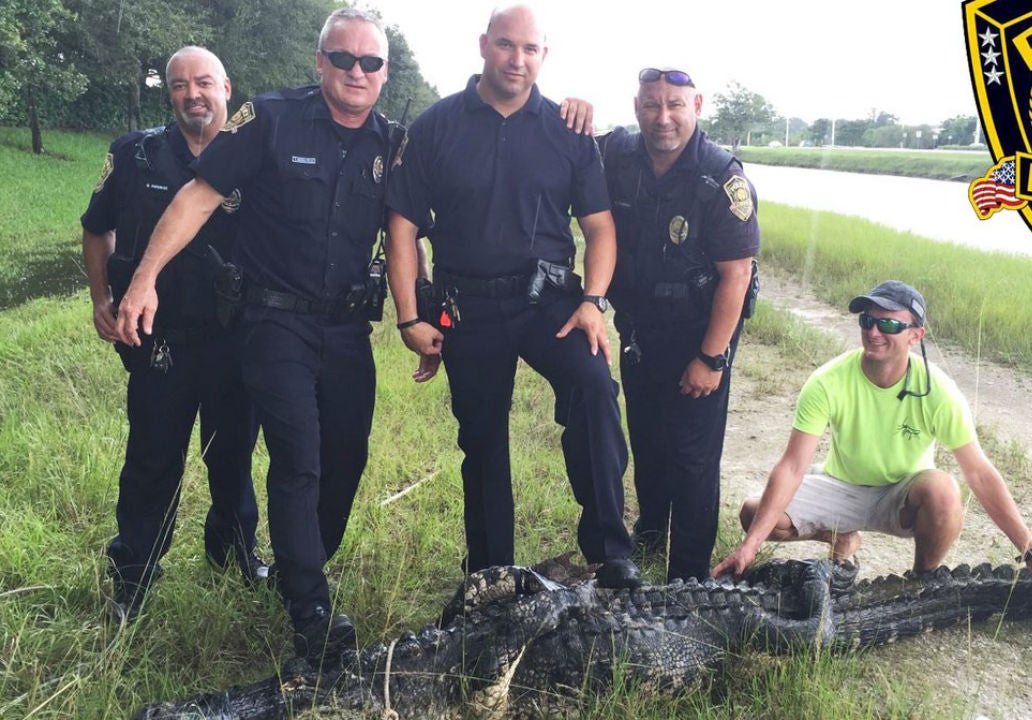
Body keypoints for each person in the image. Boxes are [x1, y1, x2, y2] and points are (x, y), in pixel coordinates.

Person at [115, 8, 392, 667]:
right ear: (320, 63)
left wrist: (417, 315)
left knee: (345, 456)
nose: (357, 71)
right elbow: (197, 196)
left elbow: (408, 232)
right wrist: (143, 278)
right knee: (298, 455)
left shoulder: (392, 142)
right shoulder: (270, 119)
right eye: (343, 58)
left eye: (370, 62)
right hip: (274, 322)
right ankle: (310, 609)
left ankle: (305, 562)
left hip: (348, 329)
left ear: (383, 73)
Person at [384, 4, 641, 588]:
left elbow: (600, 227)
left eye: (530, 49)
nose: (517, 59)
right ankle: (491, 572)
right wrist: (408, 319)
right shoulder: (436, 126)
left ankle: (611, 551)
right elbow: (401, 225)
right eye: (506, 45)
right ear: (483, 45)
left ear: (543, 56)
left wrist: (593, 301)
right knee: (482, 438)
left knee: (596, 387)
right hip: (467, 307)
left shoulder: (568, 130)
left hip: (549, 301)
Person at [81, 46, 265, 620]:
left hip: (236, 342)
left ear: (227, 87)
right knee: (151, 461)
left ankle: (233, 556)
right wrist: (101, 299)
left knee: (232, 458)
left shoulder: (259, 158)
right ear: (170, 94)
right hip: (158, 345)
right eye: (182, 85)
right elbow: (96, 228)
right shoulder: (135, 155)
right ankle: (132, 580)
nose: (193, 95)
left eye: (204, 82)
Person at [713, 280, 1032, 583]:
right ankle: (841, 538)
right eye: (867, 321)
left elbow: (980, 474)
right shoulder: (827, 381)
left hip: (902, 496)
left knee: (944, 490)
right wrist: (750, 546)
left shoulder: (939, 391)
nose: (874, 332)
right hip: (842, 486)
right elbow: (791, 466)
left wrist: (1031, 550)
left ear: (916, 335)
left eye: (889, 324)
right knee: (753, 513)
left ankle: (922, 577)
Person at [598, 67, 759, 582]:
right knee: (646, 438)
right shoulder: (617, 155)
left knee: (692, 458)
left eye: (674, 105)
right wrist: (571, 107)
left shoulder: (723, 177)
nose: (662, 117)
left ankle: (687, 576)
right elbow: (561, 139)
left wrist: (711, 358)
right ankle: (651, 532)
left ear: (698, 106)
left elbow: (736, 276)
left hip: (700, 334)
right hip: (642, 332)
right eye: (650, 104)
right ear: (636, 106)